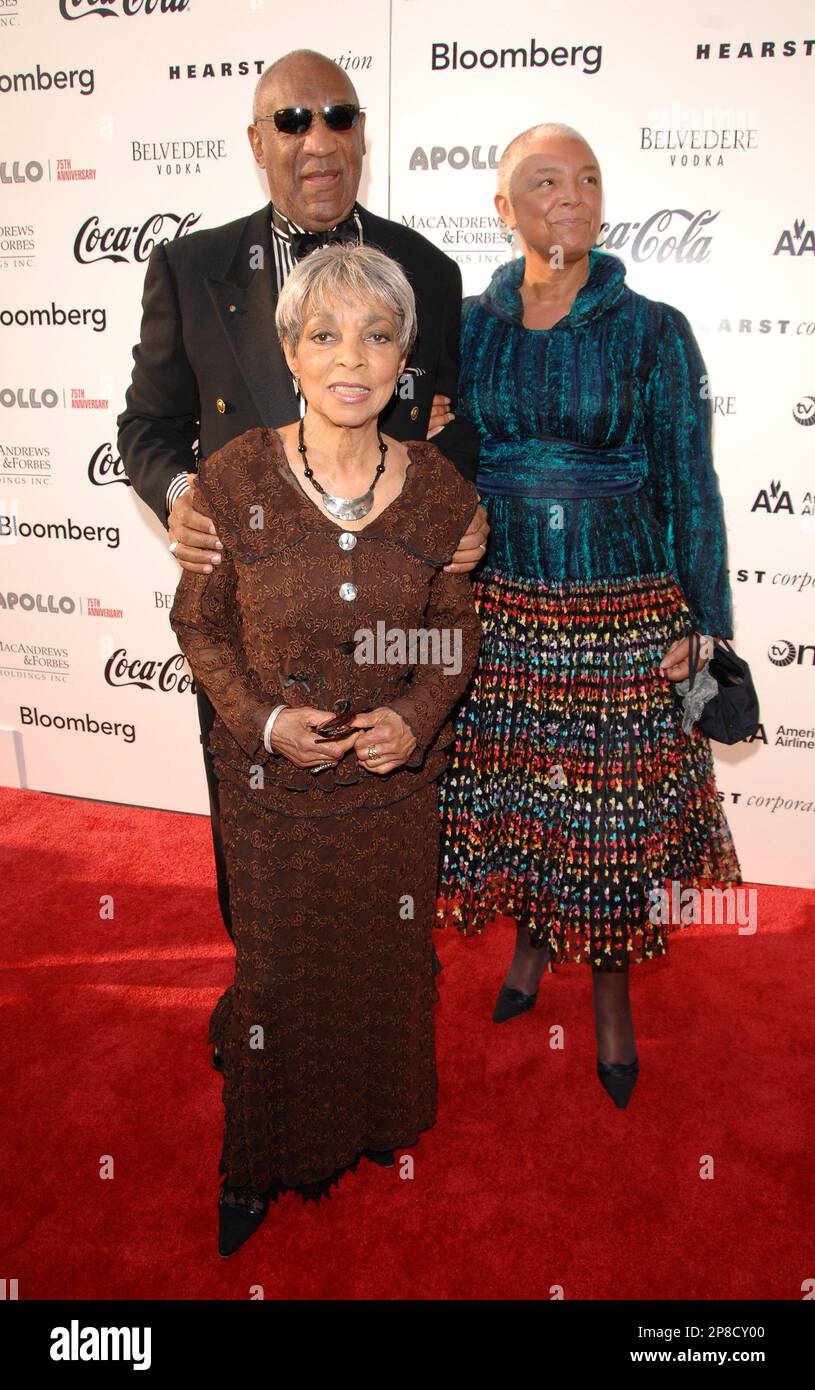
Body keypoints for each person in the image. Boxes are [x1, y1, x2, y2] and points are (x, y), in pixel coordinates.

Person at [117, 49, 488, 1030]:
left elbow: (455, 423)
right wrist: (187, 493)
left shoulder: (428, 270)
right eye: (291, 122)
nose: (316, 141)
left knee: (382, 828)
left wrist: (467, 503)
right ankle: (271, 995)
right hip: (256, 614)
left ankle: (369, 1007)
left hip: (387, 620)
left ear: (362, 133)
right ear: (256, 142)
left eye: (337, 117)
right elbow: (145, 427)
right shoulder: (191, 269)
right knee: (258, 829)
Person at [169, 243, 483, 1255]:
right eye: (323, 334)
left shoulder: (440, 495)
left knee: (386, 960)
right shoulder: (235, 478)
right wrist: (261, 721)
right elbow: (202, 628)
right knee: (275, 977)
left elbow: (449, 634)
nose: (351, 357)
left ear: (403, 360)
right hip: (272, 797)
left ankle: (372, 1120)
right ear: (290, 352)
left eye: (376, 335)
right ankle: (257, 1158)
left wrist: (415, 716)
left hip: (392, 799)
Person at [435, 124, 741, 1109]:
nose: (569, 194)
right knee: (527, 793)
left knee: (609, 814)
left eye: (587, 178)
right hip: (504, 598)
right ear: (501, 206)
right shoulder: (465, 330)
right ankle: (527, 948)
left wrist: (703, 623)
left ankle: (609, 999)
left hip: (620, 602)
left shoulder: (655, 329)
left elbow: (690, 482)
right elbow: (437, 466)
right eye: (542, 179)